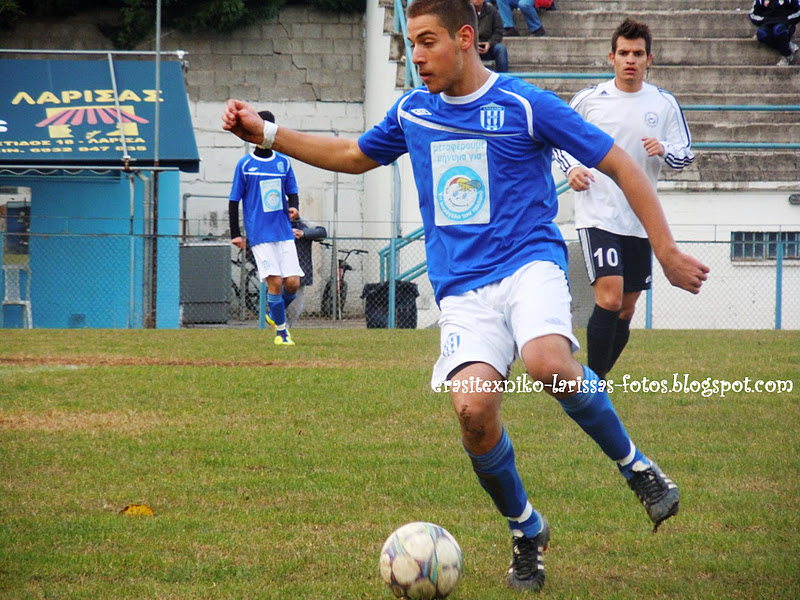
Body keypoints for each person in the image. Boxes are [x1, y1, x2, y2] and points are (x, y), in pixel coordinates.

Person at [222, 0, 709, 591]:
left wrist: (666, 249)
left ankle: (638, 469)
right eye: (411, 42)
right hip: (463, 290)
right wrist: (267, 133)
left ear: (465, 38)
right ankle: (527, 530)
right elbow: (351, 157)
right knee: (474, 413)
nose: (417, 56)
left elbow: (619, 164)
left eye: (427, 42)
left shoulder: (524, 104)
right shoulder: (413, 112)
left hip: (529, 264)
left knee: (548, 363)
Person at [553, 18, 695, 381]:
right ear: (611, 57)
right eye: (623, 53)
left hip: (640, 220)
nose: (630, 59)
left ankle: (595, 380)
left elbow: (685, 154)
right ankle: (590, 386)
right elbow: (560, 140)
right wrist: (571, 170)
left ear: (650, 59)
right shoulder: (589, 100)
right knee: (610, 297)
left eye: (638, 53)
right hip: (598, 213)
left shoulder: (663, 104)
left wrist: (664, 149)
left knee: (627, 309)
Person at [228, 110, 304, 346]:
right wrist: (235, 234)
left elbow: (292, 191)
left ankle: (274, 312)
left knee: (292, 283)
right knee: (275, 282)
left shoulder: (283, 162)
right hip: (259, 233)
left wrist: (294, 208)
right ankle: (282, 333)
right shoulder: (245, 165)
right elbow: (234, 200)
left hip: (282, 231)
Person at [286, 216, 327, 327]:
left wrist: (303, 233)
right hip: (279, 270)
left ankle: (288, 329)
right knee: (277, 301)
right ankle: (279, 327)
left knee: (294, 307)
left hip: (299, 271)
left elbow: (322, 232)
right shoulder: (275, 220)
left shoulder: (303, 223)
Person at [749, 0, 800, 66]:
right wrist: (764, 20)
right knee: (762, 34)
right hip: (767, 23)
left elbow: (798, 11)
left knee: (779, 30)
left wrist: (787, 19)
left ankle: (786, 54)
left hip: (784, 24)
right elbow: (753, 14)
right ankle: (788, 45)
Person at [474, 0, 509, 72]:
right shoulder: (465, 13)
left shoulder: (492, 11)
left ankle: (503, 77)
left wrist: (489, 43)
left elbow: (498, 31)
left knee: (501, 49)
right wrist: (473, 45)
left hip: (489, 46)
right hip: (470, 47)